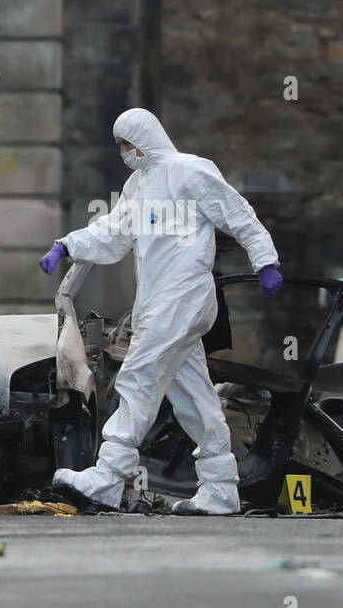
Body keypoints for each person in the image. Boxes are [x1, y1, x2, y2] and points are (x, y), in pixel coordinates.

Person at [37, 107, 282, 515]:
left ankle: (109, 476)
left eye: (127, 144)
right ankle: (221, 488)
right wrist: (68, 245)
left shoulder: (191, 171)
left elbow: (237, 213)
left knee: (138, 378)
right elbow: (113, 233)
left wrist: (265, 261)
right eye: (119, 147)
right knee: (194, 397)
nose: (124, 153)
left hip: (181, 297)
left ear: (144, 138)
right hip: (160, 302)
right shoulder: (138, 184)